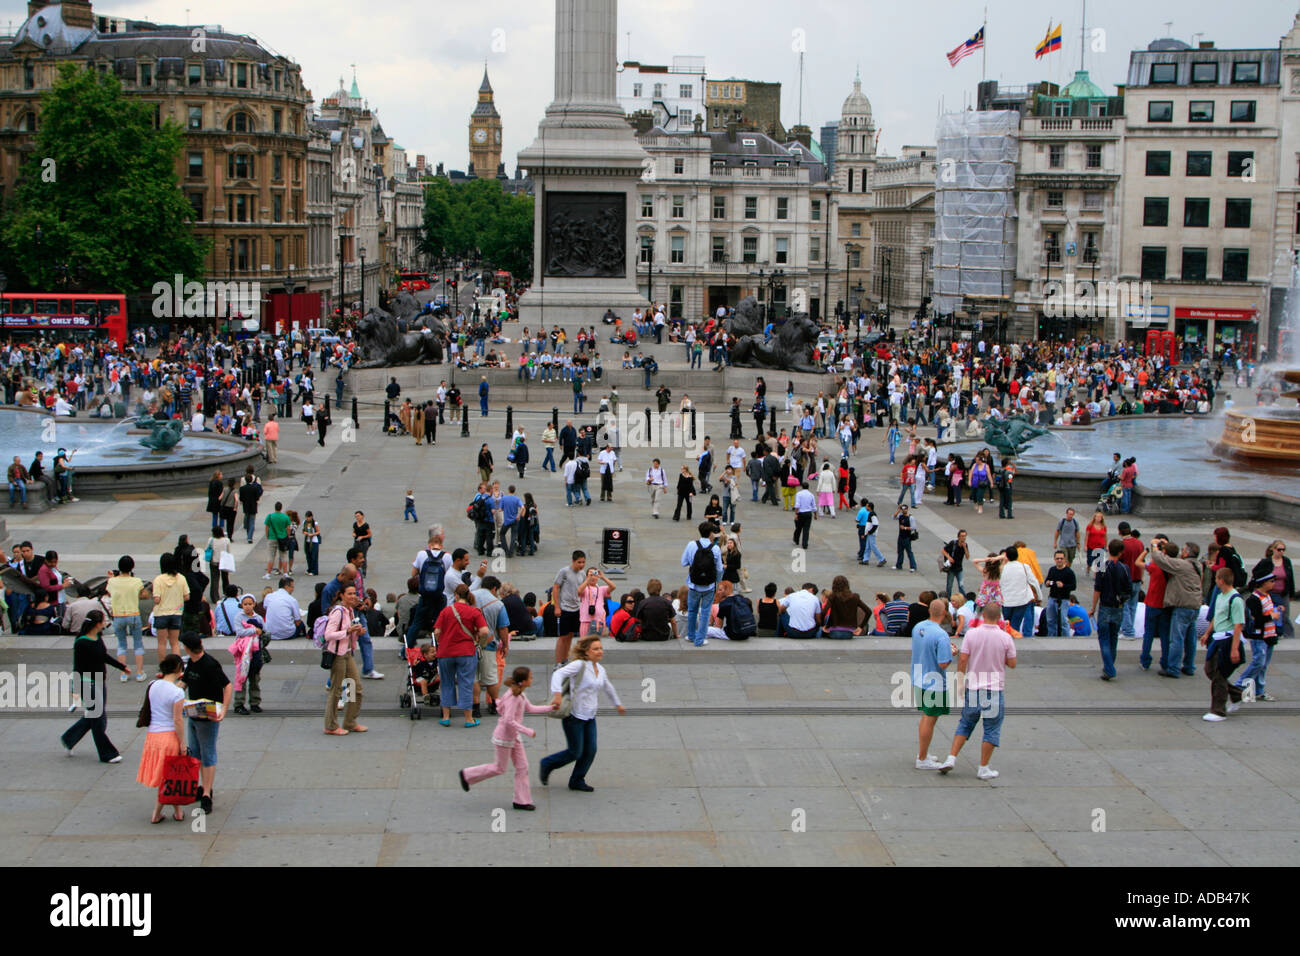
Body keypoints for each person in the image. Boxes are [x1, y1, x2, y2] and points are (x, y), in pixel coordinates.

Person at [935, 602, 1017, 779]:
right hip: (994, 688)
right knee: (992, 728)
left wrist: (959, 681)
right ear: (999, 618)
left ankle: (951, 758)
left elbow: (963, 660)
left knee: (965, 723)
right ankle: (983, 767)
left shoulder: (971, 635)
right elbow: (1012, 664)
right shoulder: (1005, 638)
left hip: (973, 687)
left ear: (982, 616)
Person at [459, 665, 557, 811]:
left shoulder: (519, 694)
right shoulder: (515, 697)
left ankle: (521, 800)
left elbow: (530, 708)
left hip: (512, 737)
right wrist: (527, 731)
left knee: (522, 767)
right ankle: (467, 775)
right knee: (499, 768)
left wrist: (550, 707)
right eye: (530, 677)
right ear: (523, 681)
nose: (532, 679)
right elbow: (508, 720)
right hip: (504, 737)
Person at [540, 635, 625, 792]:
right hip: (574, 716)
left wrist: (617, 704)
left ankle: (577, 780)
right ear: (586, 652)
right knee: (575, 751)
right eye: (595, 649)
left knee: (590, 750)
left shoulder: (600, 669)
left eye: (601, 648)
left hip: (590, 716)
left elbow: (608, 687)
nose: (600, 651)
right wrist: (557, 694)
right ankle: (547, 763)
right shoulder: (579, 665)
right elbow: (558, 674)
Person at [61, 610, 125, 763]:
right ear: (97, 624)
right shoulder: (81, 643)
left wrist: (121, 666)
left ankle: (69, 738)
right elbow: (77, 667)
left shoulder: (97, 637)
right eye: (103, 621)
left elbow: (103, 656)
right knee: (98, 719)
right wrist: (75, 689)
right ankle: (107, 753)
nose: (105, 623)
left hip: (99, 681)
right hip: (86, 683)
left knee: (95, 716)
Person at [179, 632, 231, 814]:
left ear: (187, 647)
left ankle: (207, 793)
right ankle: (202, 787)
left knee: (208, 754)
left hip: (208, 716)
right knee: (195, 754)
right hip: (193, 713)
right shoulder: (192, 662)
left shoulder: (209, 664)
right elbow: (184, 683)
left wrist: (223, 710)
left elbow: (227, 685)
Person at [137, 653, 188, 823]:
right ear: (178, 669)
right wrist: (182, 743)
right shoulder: (177, 693)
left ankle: (178, 811)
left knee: (166, 776)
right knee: (168, 778)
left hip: (153, 736)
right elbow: (178, 720)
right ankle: (156, 813)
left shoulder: (153, 684)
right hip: (169, 737)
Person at [433, 584, 489, 727]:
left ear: (456, 596)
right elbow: (484, 631)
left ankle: (446, 717)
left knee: (446, 683)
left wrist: (441, 641)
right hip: (466, 652)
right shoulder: (474, 612)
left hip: (446, 652)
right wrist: (478, 641)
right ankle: (468, 719)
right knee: (466, 684)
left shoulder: (445, 611)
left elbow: (437, 632)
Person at [912, 598, 956, 769]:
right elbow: (943, 663)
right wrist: (954, 652)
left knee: (926, 717)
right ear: (944, 612)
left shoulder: (919, 627)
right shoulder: (941, 635)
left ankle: (923, 752)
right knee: (930, 719)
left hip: (918, 678)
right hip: (934, 683)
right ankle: (922, 759)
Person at [1201, 567, 1246, 722]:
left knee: (1219, 675)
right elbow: (1217, 616)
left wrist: (1234, 649)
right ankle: (1236, 694)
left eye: (1216, 579)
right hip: (1217, 638)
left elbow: (1238, 625)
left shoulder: (1236, 599)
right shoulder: (1221, 596)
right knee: (1210, 670)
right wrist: (1207, 633)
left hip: (1227, 640)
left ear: (1221, 580)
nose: (1215, 581)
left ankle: (1218, 710)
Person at [322, 584, 368, 735]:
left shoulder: (350, 611)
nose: (353, 596)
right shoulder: (338, 612)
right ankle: (331, 726)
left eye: (354, 593)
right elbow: (328, 635)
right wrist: (348, 631)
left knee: (355, 687)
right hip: (337, 655)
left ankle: (350, 722)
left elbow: (350, 633)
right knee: (336, 690)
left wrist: (357, 632)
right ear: (341, 595)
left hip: (348, 652)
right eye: (349, 593)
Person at [1090, 539, 1132, 681]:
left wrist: (1093, 607)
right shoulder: (1125, 568)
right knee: (1113, 638)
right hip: (1118, 607)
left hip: (1105, 606)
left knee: (1104, 638)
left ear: (1108, 549)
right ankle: (1109, 666)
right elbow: (1129, 589)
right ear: (1121, 553)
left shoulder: (1102, 567)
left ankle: (1109, 668)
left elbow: (1097, 589)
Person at [680, 524, 723, 646]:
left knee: (692, 610)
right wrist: (716, 582)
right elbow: (719, 569)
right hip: (709, 586)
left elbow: (683, 562)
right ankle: (700, 639)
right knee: (705, 612)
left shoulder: (691, 545)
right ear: (710, 533)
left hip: (693, 584)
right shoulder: (715, 548)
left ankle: (691, 635)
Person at [107, 555, 148, 682]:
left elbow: (109, 593)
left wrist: (111, 578)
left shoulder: (112, 581)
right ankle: (140, 673)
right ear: (132, 567)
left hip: (118, 615)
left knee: (121, 645)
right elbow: (144, 595)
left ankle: (124, 673)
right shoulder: (136, 581)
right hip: (133, 614)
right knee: (138, 644)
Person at [1251, 540, 1295, 642]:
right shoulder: (1267, 562)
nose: (1281, 552)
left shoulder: (1286, 561)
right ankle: (1271, 632)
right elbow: (1255, 572)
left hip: (1283, 593)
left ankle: (1289, 636)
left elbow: (1290, 577)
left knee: (1284, 615)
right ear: (1273, 549)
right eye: (1279, 549)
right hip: (1270, 593)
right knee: (1270, 614)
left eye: (1283, 550)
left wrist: (1291, 593)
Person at [151, 552, 189, 662]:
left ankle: (163, 667)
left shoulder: (158, 579)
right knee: (175, 643)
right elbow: (187, 597)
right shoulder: (181, 578)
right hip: (176, 613)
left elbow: (157, 600)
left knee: (161, 643)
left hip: (161, 614)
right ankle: (177, 666)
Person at [822, 574, 870, 639]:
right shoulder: (854, 597)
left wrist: (823, 625)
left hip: (834, 632)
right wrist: (860, 627)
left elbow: (823, 612)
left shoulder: (833, 597)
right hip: (849, 634)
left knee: (827, 618)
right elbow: (868, 611)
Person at [1043, 550, 1077, 637]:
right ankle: (1051, 637)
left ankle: (1066, 638)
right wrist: (1047, 583)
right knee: (1050, 620)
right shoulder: (1052, 570)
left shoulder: (1069, 572)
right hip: (1052, 597)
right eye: (1057, 558)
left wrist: (1063, 585)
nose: (1059, 560)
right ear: (1054, 559)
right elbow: (1047, 581)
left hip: (1064, 599)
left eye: (1061, 558)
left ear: (1065, 559)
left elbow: (1073, 586)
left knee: (1063, 621)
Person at [940, 530, 971, 597]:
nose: (964, 538)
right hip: (951, 568)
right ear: (958, 537)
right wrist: (949, 557)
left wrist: (965, 548)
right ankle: (948, 599)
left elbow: (967, 557)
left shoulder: (965, 545)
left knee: (961, 585)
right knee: (949, 585)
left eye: (965, 536)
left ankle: (963, 598)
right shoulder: (953, 543)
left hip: (959, 568)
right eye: (962, 536)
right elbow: (943, 550)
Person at [856, 499, 885, 566]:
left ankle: (882, 559)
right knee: (867, 547)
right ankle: (865, 559)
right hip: (869, 533)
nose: (866, 507)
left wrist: (870, 532)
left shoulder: (872, 515)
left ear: (869, 507)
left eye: (867, 506)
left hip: (871, 534)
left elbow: (875, 525)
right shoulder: (870, 514)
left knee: (873, 546)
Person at [793, 481, 816, 549]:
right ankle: (805, 544)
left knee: (798, 528)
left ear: (802, 487)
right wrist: (815, 514)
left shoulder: (799, 494)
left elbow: (797, 505)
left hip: (801, 513)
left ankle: (796, 539)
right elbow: (814, 506)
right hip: (808, 513)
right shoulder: (811, 495)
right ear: (808, 487)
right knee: (806, 529)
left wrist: (796, 514)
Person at [893, 504, 917, 572]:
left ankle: (913, 566)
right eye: (902, 509)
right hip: (900, 536)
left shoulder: (911, 517)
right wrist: (898, 510)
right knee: (900, 552)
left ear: (907, 509)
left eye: (905, 509)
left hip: (907, 537)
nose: (904, 510)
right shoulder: (900, 516)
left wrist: (905, 528)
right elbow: (893, 517)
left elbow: (914, 527)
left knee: (909, 552)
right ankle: (899, 565)